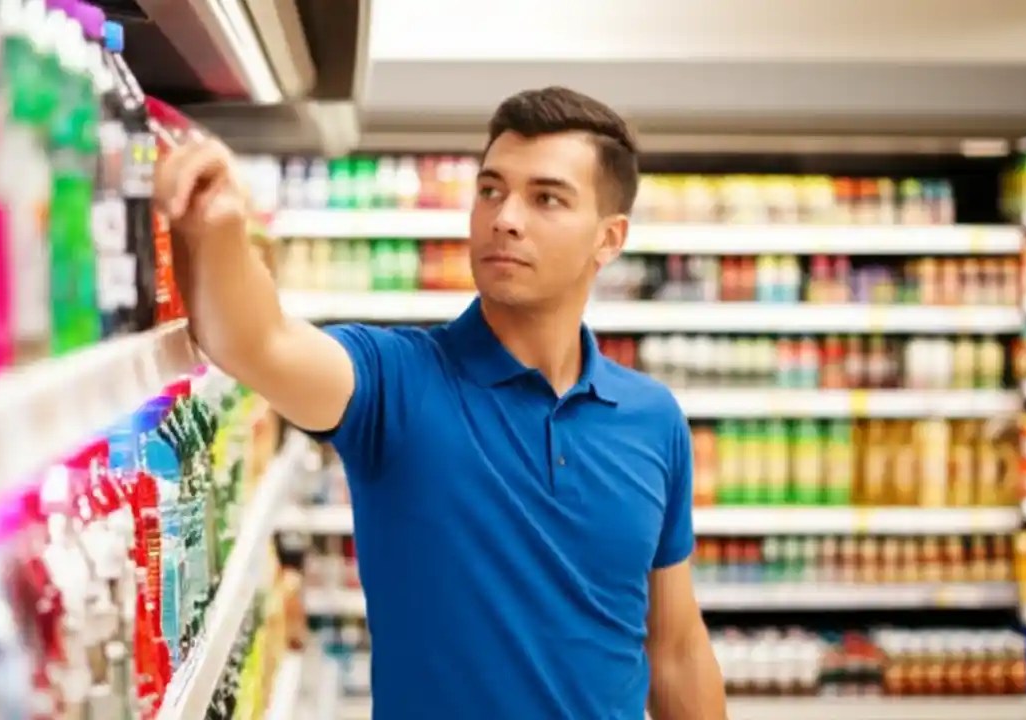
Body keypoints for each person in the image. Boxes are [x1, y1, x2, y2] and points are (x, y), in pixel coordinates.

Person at [155, 86, 727, 720]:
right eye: (491, 190)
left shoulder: (653, 420)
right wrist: (219, 222)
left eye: (546, 198)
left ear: (609, 238)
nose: (505, 216)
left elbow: (675, 650)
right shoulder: (395, 382)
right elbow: (255, 340)